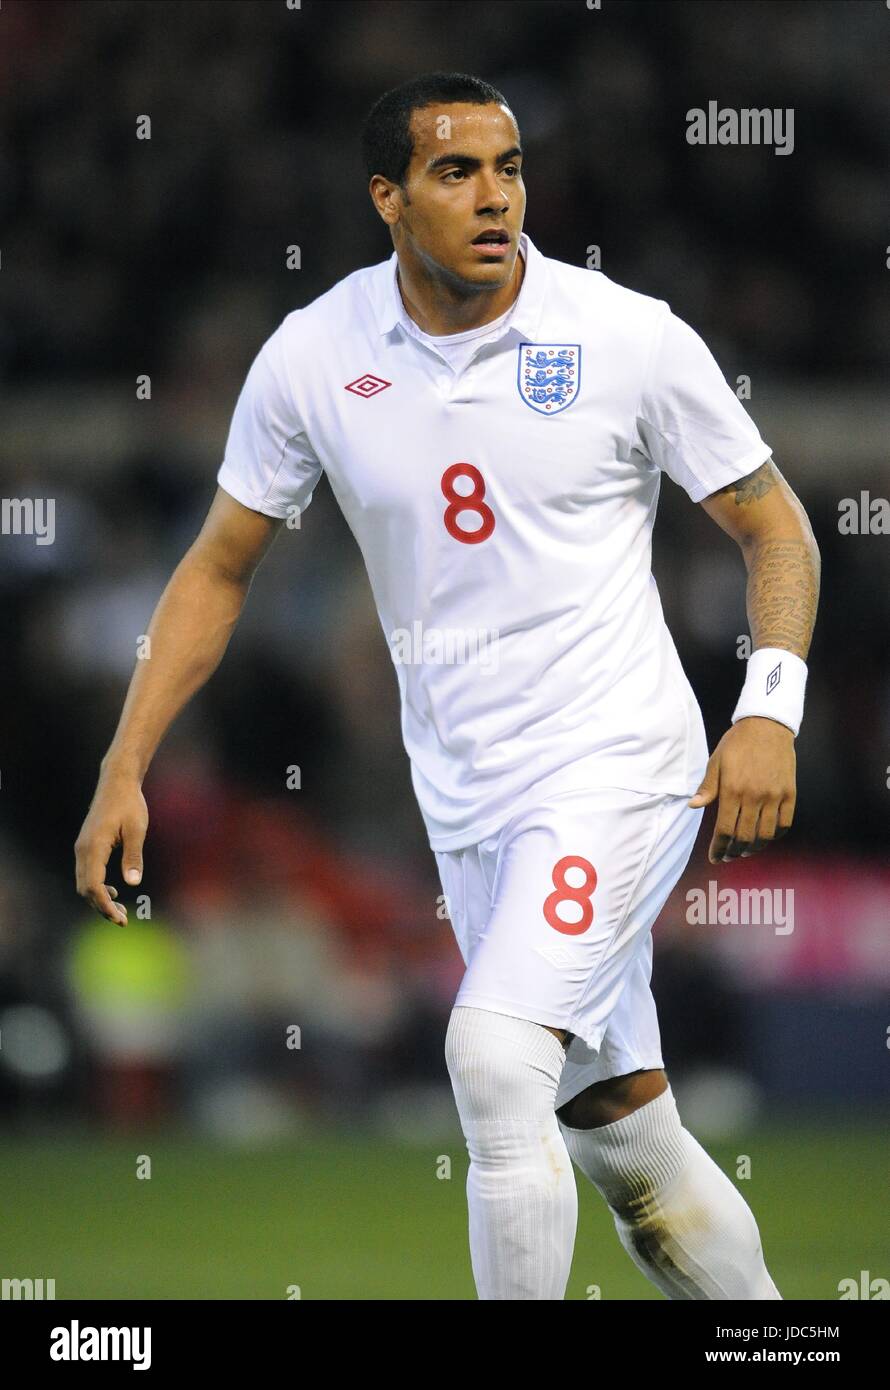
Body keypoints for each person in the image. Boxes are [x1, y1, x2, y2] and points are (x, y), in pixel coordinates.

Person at [75, 72, 820, 1300]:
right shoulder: (316, 355)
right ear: (386, 197)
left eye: (510, 168)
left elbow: (775, 527)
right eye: (455, 172)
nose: (495, 198)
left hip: (618, 762)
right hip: (469, 800)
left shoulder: (624, 337)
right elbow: (216, 569)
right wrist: (125, 760)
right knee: (623, 1133)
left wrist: (766, 711)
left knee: (486, 1055)